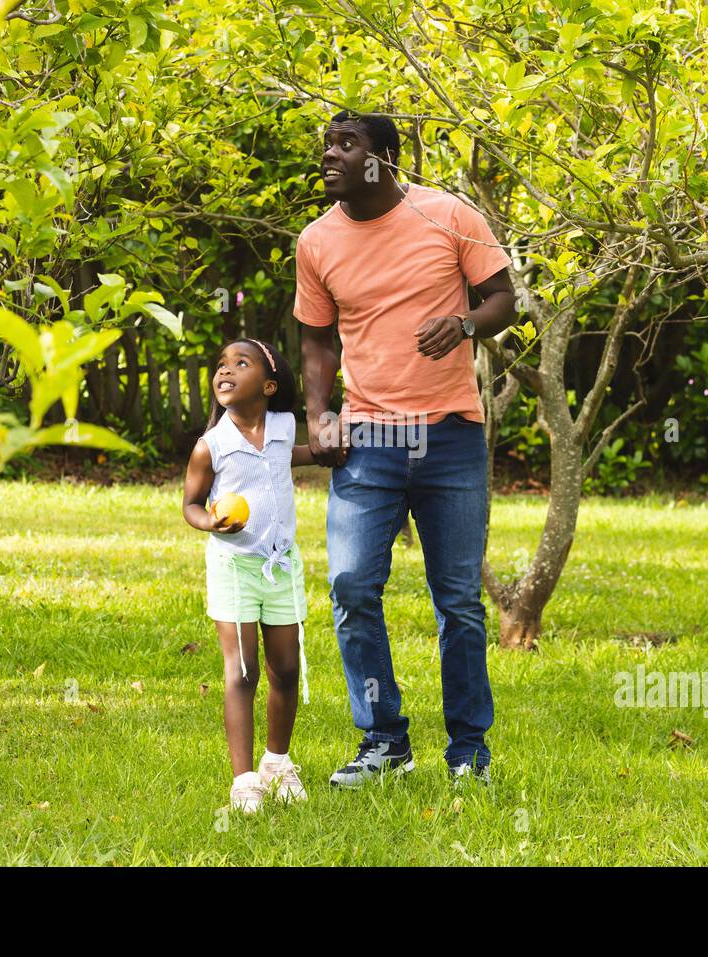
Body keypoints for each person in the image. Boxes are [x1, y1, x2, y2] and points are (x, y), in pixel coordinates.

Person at [294, 110, 518, 786]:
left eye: (347, 144)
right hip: (368, 436)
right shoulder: (316, 241)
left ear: (386, 158)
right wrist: (319, 413)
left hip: (450, 433)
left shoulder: (449, 216)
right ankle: (384, 739)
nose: (331, 155)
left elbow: (503, 300)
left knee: (457, 599)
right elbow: (314, 338)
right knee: (352, 584)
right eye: (327, 145)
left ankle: (469, 751)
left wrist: (464, 323)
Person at [182, 338, 315, 813]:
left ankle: (277, 763)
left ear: (269, 384)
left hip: (281, 565)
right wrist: (210, 521)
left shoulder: (282, 426)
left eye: (242, 363)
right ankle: (244, 781)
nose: (226, 371)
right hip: (234, 568)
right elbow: (190, 505)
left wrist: (327, 452)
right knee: (243, 671)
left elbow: (288, 456)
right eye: (221, 365)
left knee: (285, 668)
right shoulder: (211, 445)